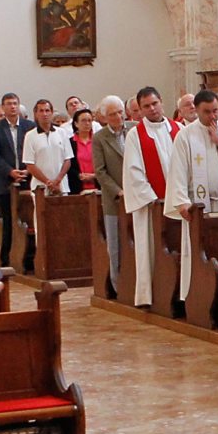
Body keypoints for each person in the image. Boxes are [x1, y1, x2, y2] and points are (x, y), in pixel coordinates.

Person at [165, 91, 218, 302]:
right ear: (196, 110)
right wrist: (182, 202)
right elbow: (177, 170)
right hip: (200, 207)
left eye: (215, 111)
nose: (212, 116)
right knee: (201, 252)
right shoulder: (185, 135)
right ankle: (200, 297)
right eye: (206, 112)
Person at [120, 87, 181, 307]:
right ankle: (152, 295)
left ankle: (182, 293)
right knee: (150, 249)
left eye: (155, 103)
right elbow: (133, 172)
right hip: (151, 206)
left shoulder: (179, 129)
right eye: (146, 106)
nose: (152, 109)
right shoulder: (135, 135)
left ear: (161, 102)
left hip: (180, 203)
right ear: (139, 110)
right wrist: (154, 199)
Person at [0, 93, 35, 270]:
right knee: (9, 220)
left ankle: (30, 256)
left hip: (28, 177)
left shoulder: (29, 126)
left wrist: (27, 170)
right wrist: (10, 172)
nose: (12, 107)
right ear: (3, 107)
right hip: (5, 180)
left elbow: (34, 151)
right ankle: (6, 257)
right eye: (9, 104)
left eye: (15, 103)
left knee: (29, 218)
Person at [92, 96, 128, 294]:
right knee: (115, 246)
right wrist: (118, 191)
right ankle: (118, 286)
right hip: (114, 200)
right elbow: (100, 171)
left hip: (138, 196)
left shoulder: (134, 129)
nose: (118, 117)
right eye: (113, 114)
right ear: (105, 117)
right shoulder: (100, 138)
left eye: (120, 112)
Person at [23, 98, 70, 195]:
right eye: (41, 111)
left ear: (52, 113)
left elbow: (67, 159)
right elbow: (30, 164)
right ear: (36, 114)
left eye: (47, 110)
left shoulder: (62, 133)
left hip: (61, 185)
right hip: (39, 187)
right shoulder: (30, 136)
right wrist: (47, 182)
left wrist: (57, 180)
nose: (44, 114)